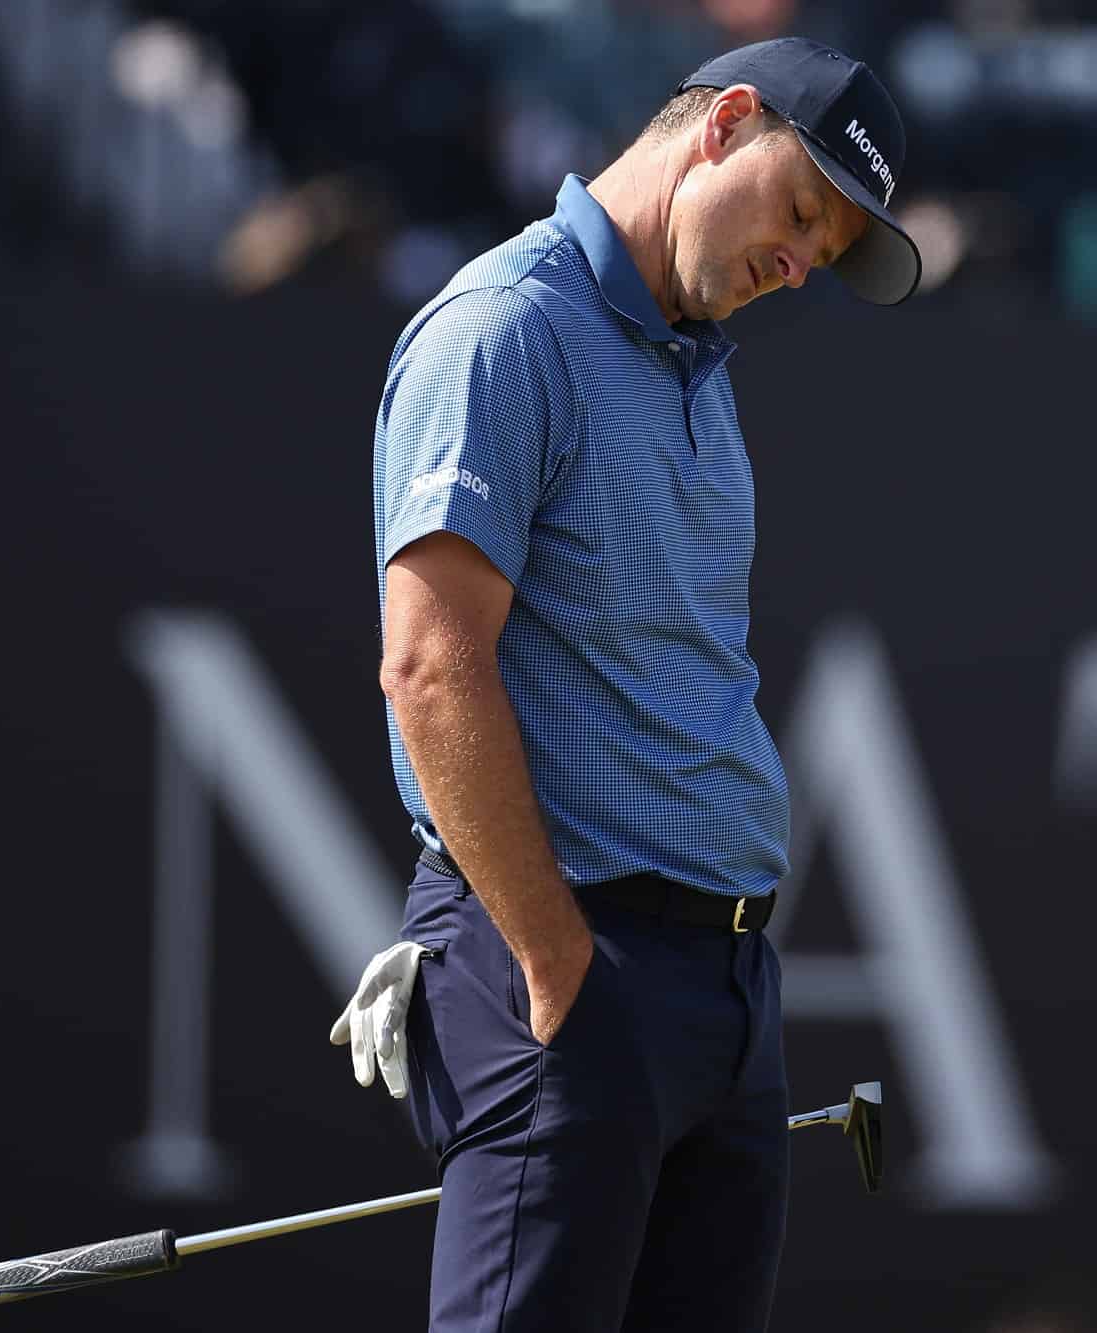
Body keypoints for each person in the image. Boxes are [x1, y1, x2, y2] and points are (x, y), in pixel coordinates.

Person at [329, 36, 921, 1333]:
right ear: (725, 126)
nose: (799, 261)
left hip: (719, 988)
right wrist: (557, 971)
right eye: (803, 211)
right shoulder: (506, 330)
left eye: (823, 251)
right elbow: (430, 662)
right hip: (565, 958)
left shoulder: (694, 372)